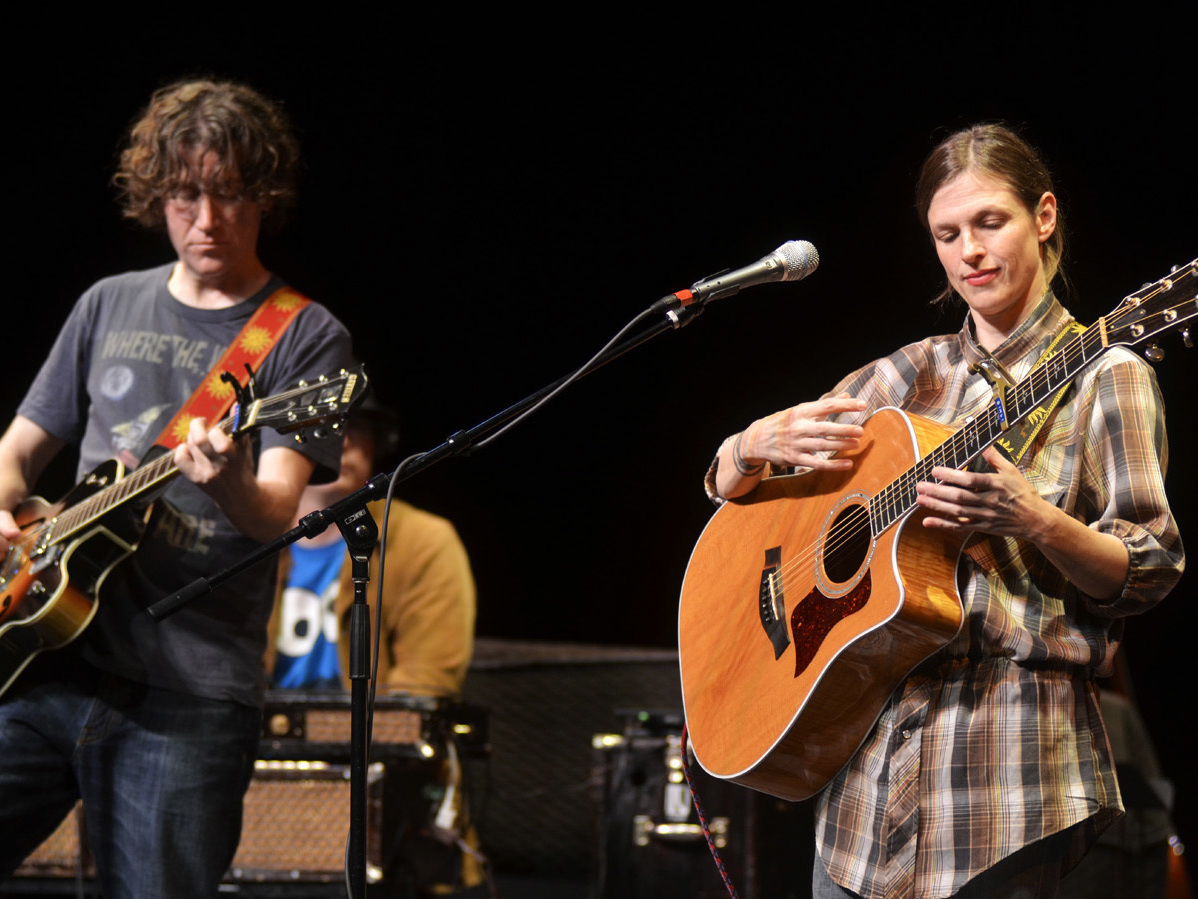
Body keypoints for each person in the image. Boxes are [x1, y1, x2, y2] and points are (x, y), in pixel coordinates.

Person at [707, 124, 1184, 898]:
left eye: (990, 222)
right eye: (947, 233)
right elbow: (749, 503)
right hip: (866, 779)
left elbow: (1149, 566)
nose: (970, 251)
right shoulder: (903, 375)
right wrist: (745, 445)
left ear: (1045, 216)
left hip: (1008, 774)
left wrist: (1034, 518)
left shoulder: (1110, 373)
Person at [0, 80, 353, 897]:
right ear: (156, 194)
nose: (206, 220)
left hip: (187, 695)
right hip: (43, 658)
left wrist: (229, 480)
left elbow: (275, 512)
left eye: (228, 194)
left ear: (263, 196)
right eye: (185, 195)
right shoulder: (107, 303)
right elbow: (16, 452)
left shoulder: (305, 335)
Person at [265, 397, 476, 695]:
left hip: (369, 739)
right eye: (321, 427)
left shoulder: (424, 540)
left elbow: (425, 683)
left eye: (357, 426)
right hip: (257, 735)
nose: (343, 440)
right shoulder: (246, 538)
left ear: (377, 444)